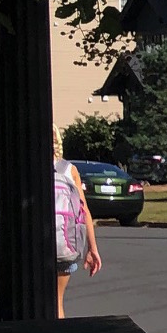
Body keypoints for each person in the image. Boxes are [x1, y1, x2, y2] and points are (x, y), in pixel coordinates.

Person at [53, 129, 103, 317]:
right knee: (57, 302)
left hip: (32, 250)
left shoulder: (27, 168)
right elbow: (84, 210)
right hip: (64, 248)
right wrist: (92, 248)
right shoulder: (69, 170)